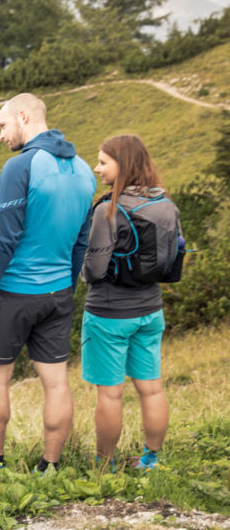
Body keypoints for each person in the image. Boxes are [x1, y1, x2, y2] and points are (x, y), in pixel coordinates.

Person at [0, 93, 96, 473]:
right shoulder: (86, 169)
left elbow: (4, 237)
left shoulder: (20, 166)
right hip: (57, 294)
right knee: (56, 383)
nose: (0, 135)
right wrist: (66, 290)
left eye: (2, 125)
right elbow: (81, 242)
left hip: (12, 293)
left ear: (24, 116)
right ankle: (50, 466)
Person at [81, 135, 181, 471]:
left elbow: (95, 268)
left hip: (109, 313)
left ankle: (104, 464)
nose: (97, 168)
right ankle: (150, 459)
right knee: (151, 389)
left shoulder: (109, 209)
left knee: (110, 394)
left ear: (123, 165)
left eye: (103, 162)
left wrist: (83, 274)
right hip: (151, 309)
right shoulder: (164, 202)